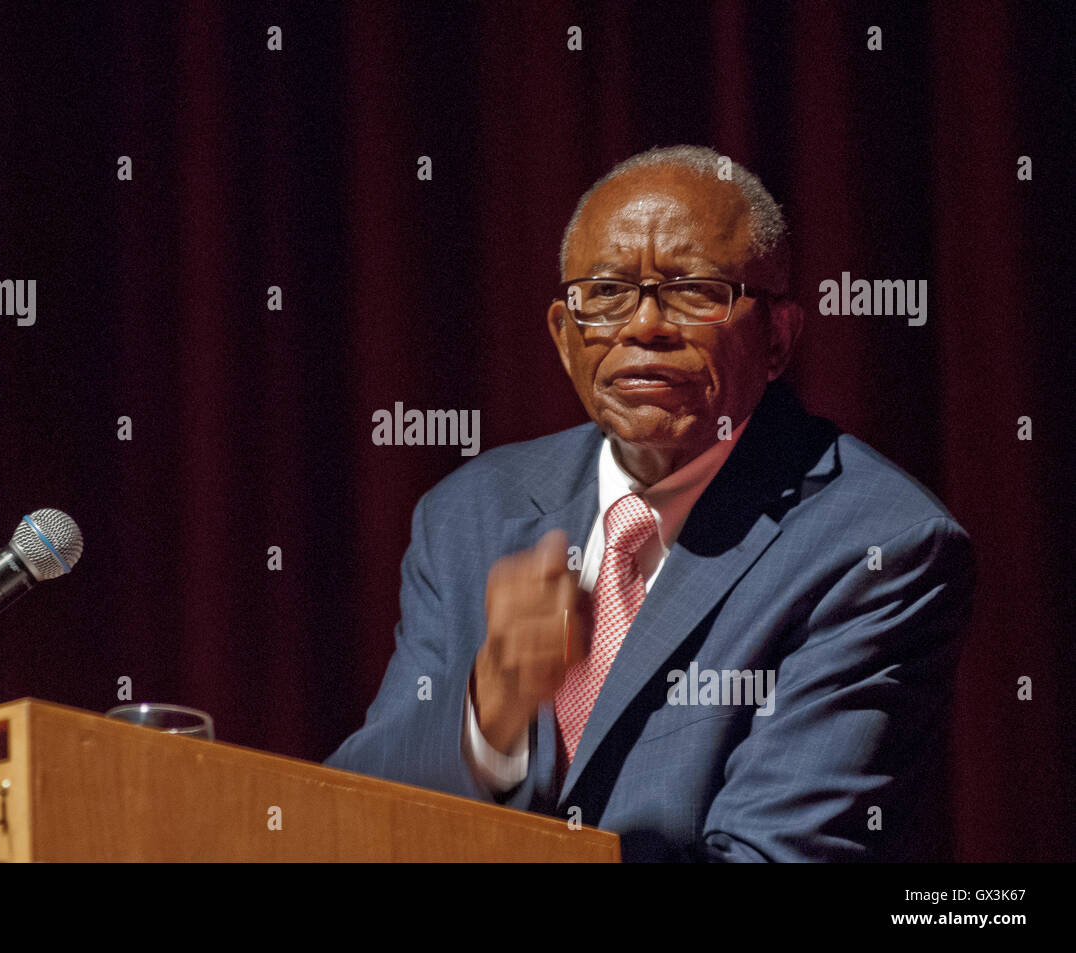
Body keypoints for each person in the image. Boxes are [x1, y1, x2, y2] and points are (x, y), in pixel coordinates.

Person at [325, 145, 974, 861]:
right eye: (604, 293)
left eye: (695, 289)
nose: (644, 326)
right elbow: (353, 817)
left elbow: (777, 854)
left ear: (779, 339)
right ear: (564, 336)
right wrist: (490, 713)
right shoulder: (472, 512)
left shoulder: (878, 545)